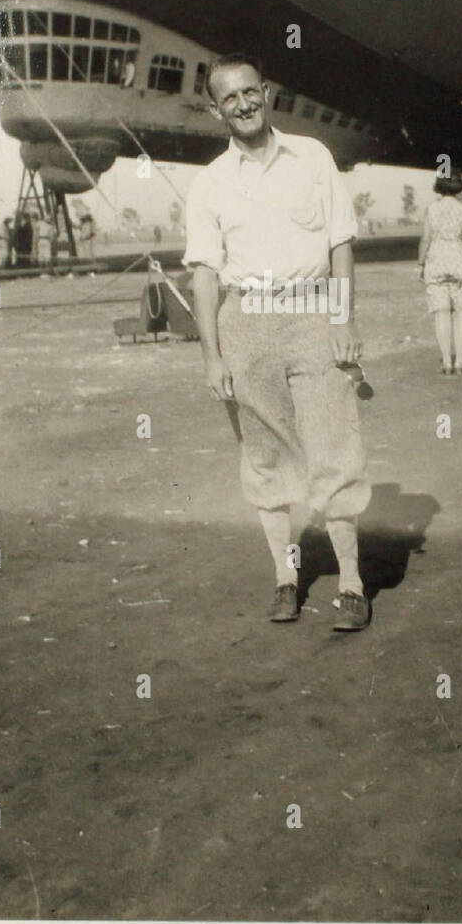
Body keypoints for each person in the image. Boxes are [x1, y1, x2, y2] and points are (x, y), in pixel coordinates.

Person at [184, 52, 371, 631]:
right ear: (215, 109)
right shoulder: (210, 183)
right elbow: (205, 276)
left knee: (333, 446)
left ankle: (353, 585)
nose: (242, 105)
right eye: (228, 99)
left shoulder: (313, 157)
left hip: (313, 316)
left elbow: (340, 244)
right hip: (246, 325)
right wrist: (213, 355)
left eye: (249, 92)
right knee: (265, 458)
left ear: (266, 93)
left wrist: (342, 319)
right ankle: (286, 580)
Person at [417, 170, 462, 374]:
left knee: (441, 312)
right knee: (461, 312)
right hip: (460, 260)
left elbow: (426, 238)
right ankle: (460, 360)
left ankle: (446, 361)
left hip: (437, 260)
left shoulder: (432, 209)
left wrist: (420, 264)